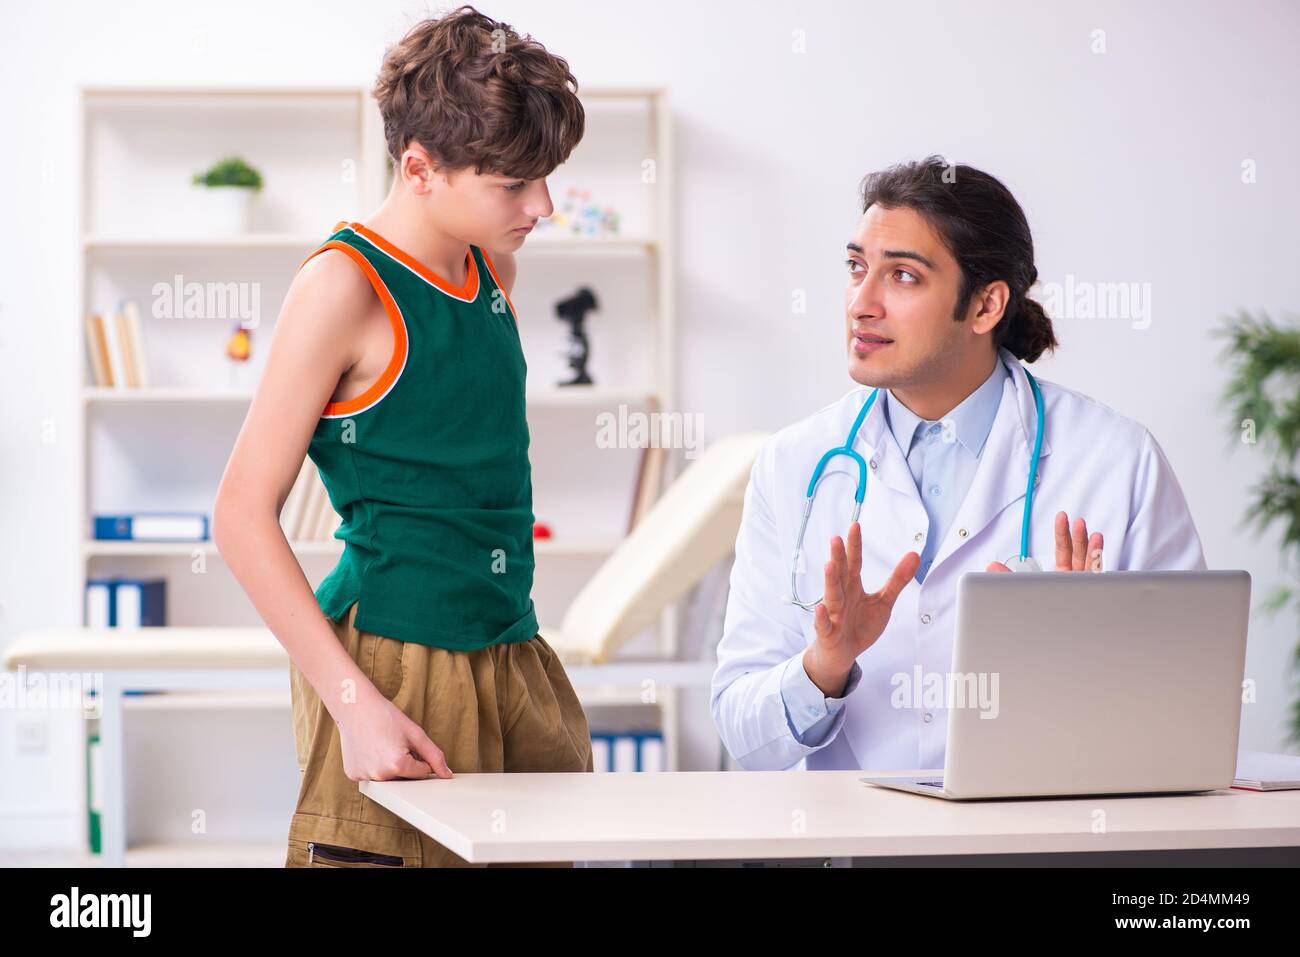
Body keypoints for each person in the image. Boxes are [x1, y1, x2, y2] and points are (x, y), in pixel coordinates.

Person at [214, 6, 593, 868]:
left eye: (546, 177)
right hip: (396, 662)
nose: (543, 205)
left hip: (512, 649)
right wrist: (354, 703)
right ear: (418, 168)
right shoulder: (343, 286)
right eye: (514, 184)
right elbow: (239, 513)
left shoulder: (489, 263)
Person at [711, 155, 1206, 773]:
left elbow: (1187, 721)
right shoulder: (795, 463)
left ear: (986, 306)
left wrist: (1075, 659)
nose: (862, 304)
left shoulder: (1116, 460)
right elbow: (743, 732)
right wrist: (826, 665)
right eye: (857, 268)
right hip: (862, 848)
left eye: (903, 277)